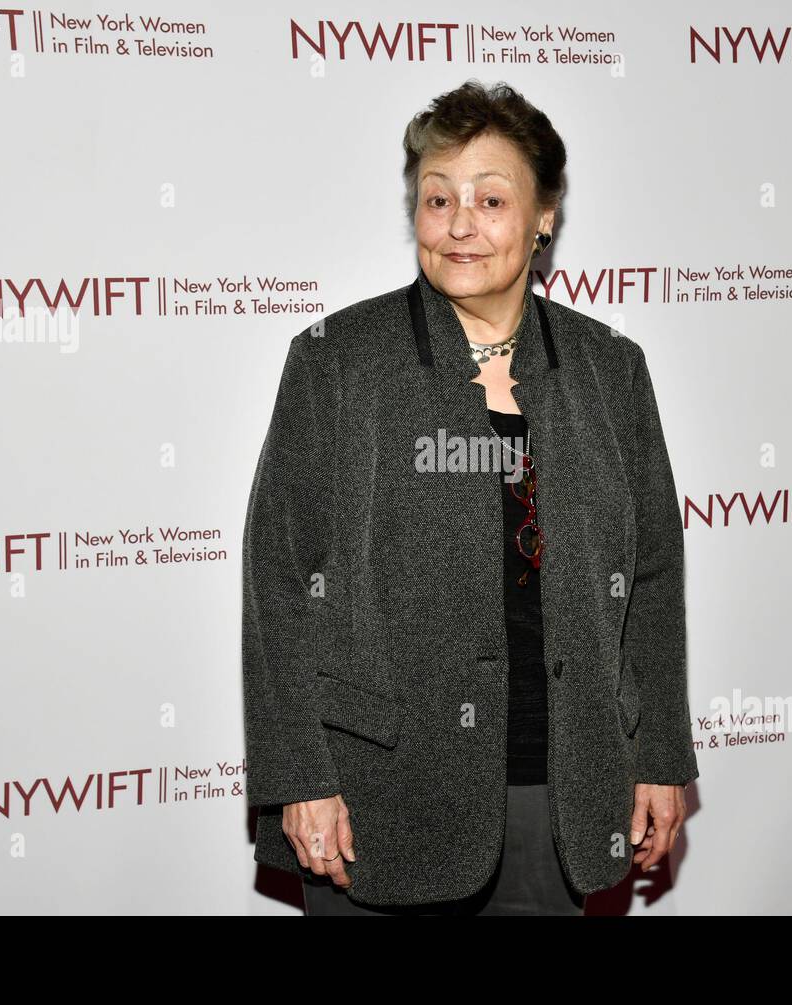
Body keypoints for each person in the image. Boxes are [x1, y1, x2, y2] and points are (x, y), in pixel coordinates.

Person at [242, 79, 700, 916]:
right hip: (375, 795)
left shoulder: (610, 369)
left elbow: (656, 577)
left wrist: (661, 752)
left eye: (491, 200)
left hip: (559, 791)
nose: (459, 224)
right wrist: (299, 776)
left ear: (543, 218)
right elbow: (277, 578)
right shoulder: (338, 360)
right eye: (437, 198)